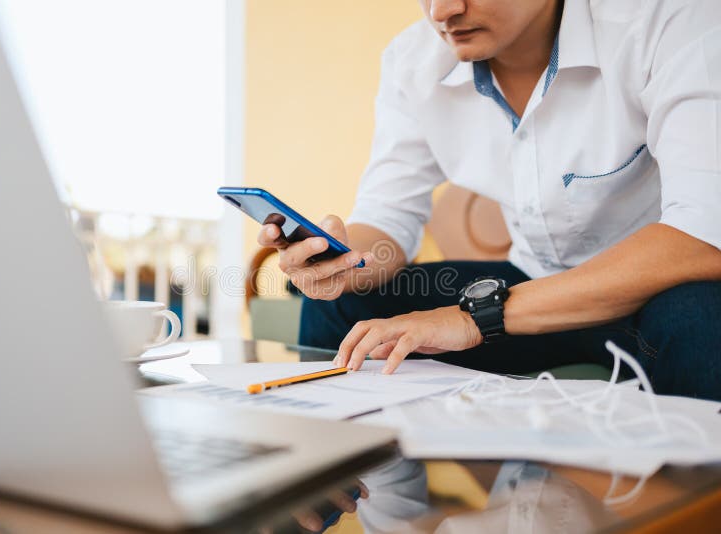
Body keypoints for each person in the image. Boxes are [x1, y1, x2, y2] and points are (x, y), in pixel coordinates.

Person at [257, 0, 721, 400]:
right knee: (339, 302)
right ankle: (358, 487)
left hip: (652, 291)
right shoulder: (412, 60)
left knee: (703, 313)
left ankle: (693, 499)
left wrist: (474, 318)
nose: (442, 12)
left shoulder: (671, 21)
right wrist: (336, 260)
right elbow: (386, 220)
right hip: (529, 279)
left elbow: (703, 236)